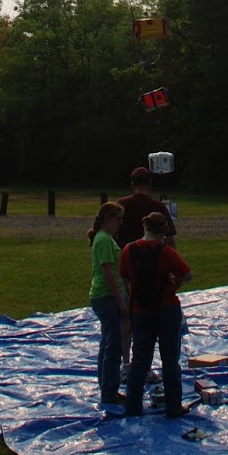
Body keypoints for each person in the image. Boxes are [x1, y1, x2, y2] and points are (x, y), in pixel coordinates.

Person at [120, 212, 193, 418]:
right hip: (166, 309)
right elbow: (188, 275)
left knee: (140, 360)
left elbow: (125, 277)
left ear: (145, 227)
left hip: (140, 310)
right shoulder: (166, 252)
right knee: (170, 361)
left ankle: (133, 406)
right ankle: (173, 406)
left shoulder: (129, 250)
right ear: (164, 231)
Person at [87, 203, 127, 405]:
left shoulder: (105, 238)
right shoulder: (103, 240)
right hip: (106, 296)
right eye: (118, 218)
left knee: (107, 342)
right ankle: (110, 391)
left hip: (105, 296)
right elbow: (108, 271)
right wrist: (120, 300)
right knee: (114, 346)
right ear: (108, 219)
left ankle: (106, 385)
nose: (121, 223)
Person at [115, 168, 176, 248]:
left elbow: (113, 232)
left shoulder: (121, 204)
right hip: (153, 254)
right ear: (150, 183)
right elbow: (169, 237)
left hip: (126, 253)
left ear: (132, 184)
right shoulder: (158, 206)